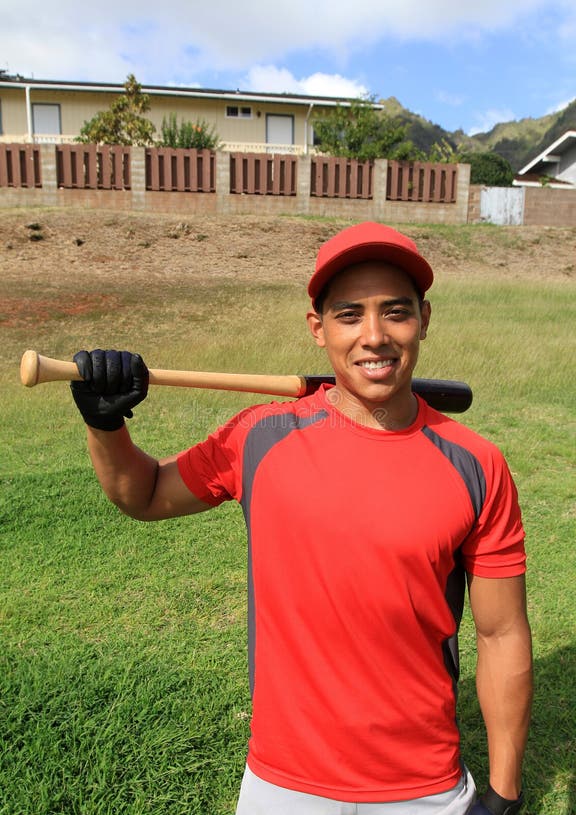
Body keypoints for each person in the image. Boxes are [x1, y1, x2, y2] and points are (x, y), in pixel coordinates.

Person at [70, 222, 533, 815]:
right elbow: (144, 494)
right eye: (349, 315)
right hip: (282, 785)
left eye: (395, 312)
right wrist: (106, 424)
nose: (374, 336)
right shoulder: (261, 438)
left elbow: (501, 634)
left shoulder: (476, 464)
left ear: (423, 319)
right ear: (317, 328)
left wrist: (505, 790)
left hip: (423, 787)